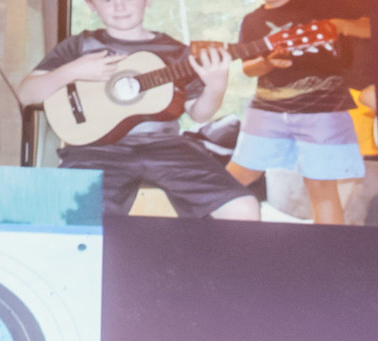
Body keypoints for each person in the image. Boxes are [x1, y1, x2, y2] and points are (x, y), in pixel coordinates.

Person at [15, 0, 258, 220]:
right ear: (91, 5)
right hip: (94, 149)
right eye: (107, 0)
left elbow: (199, 114)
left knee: (244, 208)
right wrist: (71, 71)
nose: (119, 5)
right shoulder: (80, 45)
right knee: (69, 214)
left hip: (167, 146)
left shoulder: (175, 52)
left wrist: (216, 86)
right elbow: (25, 94)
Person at [233, 1, 371, 225]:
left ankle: (327, 254)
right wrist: (269, 63)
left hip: (323, 108)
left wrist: (339, 26)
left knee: (321, 187)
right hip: (267, 107)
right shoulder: (251, 20)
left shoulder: (321, 5)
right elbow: (248, 68)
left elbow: (372, 25)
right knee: (238, 173)